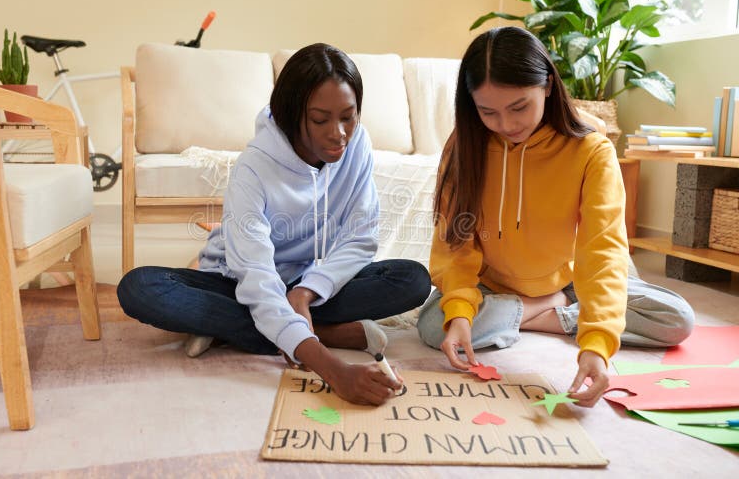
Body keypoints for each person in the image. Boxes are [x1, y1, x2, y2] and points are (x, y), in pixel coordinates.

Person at [118, 42, 431, 406]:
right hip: (238, 281)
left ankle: (253, 330)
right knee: (139, 288)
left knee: (412, 279)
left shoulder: (357, 144)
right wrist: (333, 370)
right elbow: (257, 280)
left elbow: (360, 237)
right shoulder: (253, 167)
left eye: (348, 116)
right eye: (320, 119)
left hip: (308, 281)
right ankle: (321, 333)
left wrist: (304, 293)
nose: (338, 133)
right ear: (291, 113)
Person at [416, 27, 694, 407]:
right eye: (488, 112)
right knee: (436, 324)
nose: (507, 125)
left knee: (676, 318)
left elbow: (603, 251)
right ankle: (549, 311)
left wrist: (596, 344)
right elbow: (456, 246)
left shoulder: (590, 149)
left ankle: (551, 309)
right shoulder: (463, 147)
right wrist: (461, 314)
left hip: (568, 282)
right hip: (489, 285)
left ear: (547, 85)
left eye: (519, 107)